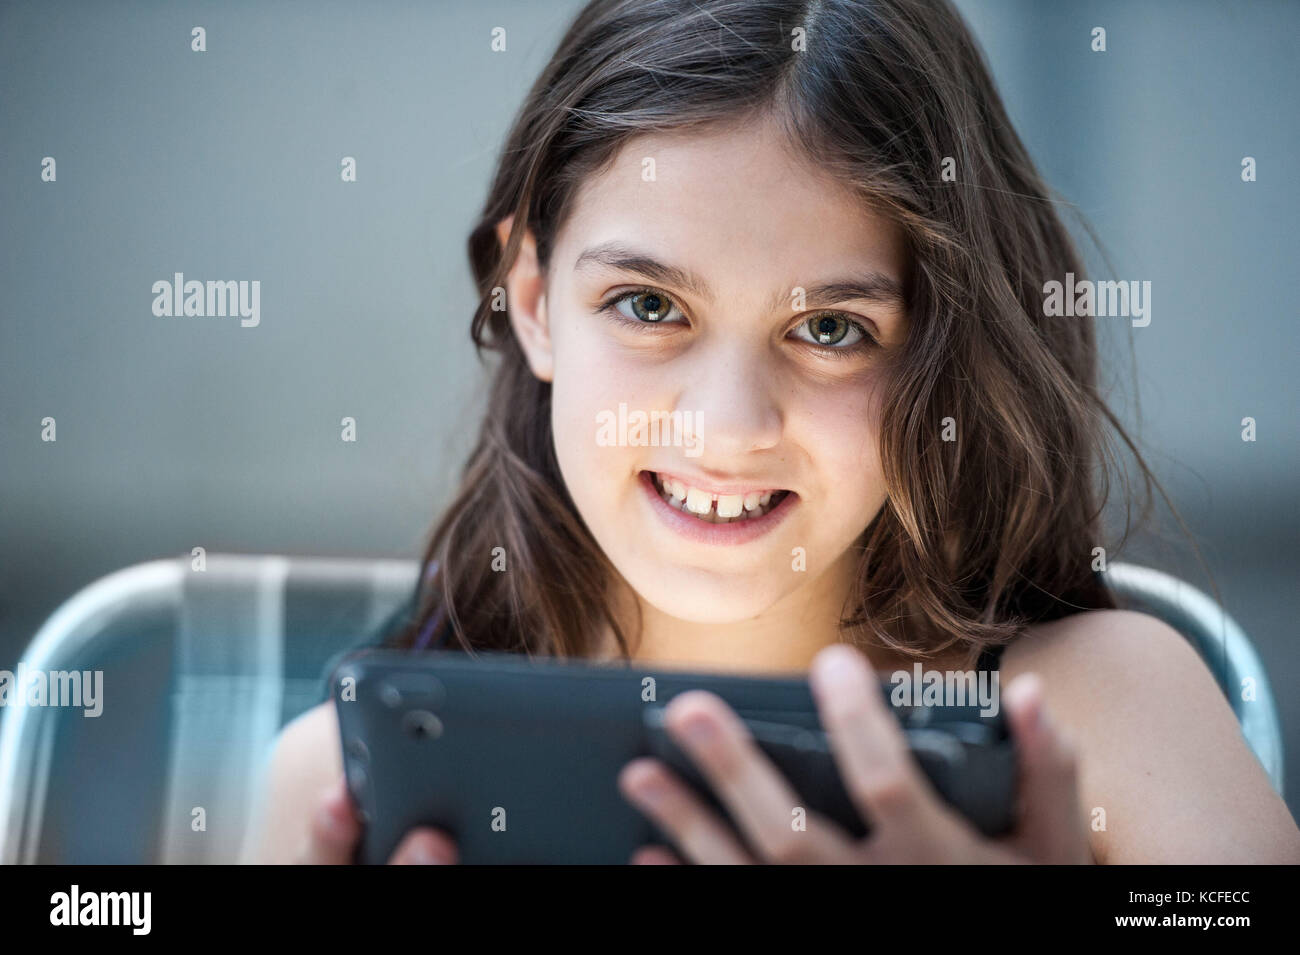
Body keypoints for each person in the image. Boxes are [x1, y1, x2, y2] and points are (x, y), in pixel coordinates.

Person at [243, 0, 1300, 864]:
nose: (727, 428)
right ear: (531, 299)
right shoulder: (338, 786)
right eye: (649, 307)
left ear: (942, 344)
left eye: (830, 329)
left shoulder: (1091, 715)